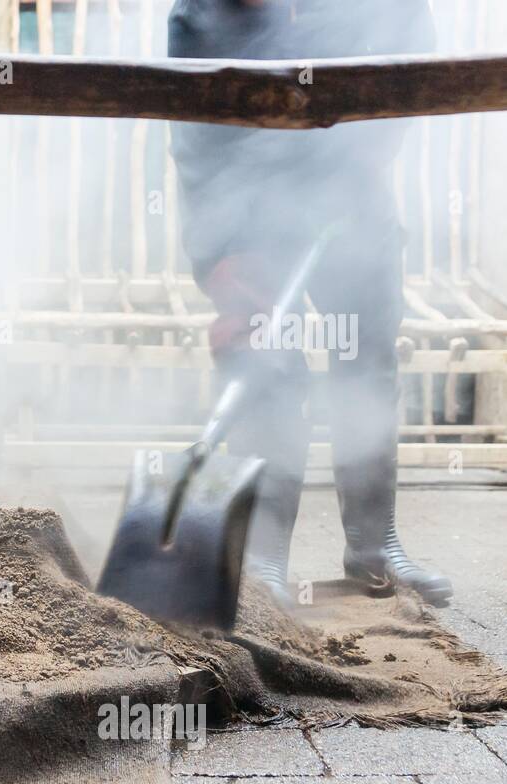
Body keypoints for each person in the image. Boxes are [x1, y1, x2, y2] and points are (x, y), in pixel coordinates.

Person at [168, 0, 452, 606]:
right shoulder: (197, 15)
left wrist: (372, 145)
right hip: (250, 214)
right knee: (267, 366)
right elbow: (194, 141)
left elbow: (414, 55)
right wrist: (223, 255)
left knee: (368, 363)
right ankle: (265, 558)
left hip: (354, 200)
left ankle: (376, 547)